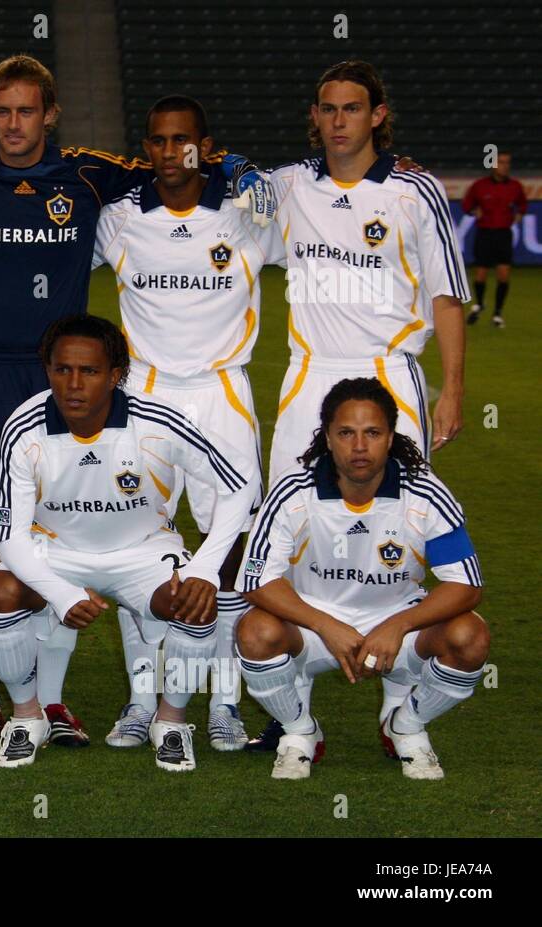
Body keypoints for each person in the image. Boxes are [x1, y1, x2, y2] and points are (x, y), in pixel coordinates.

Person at [0, 55, 274, 749]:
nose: (14, 123)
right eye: (2, 111)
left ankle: (97, 702)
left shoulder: (90, 178)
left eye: (28, 110)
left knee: (119, 537)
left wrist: (239, 166)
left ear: (51, 114)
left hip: (68, 382)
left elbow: (175, 167)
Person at [253, 59, 471, 751]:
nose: (338, 121)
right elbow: (216, 198)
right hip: (307, 374)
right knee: (287, 522)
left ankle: (399, 691)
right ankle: (293, 705)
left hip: (390, 376)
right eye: (327, 108)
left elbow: (444, 297)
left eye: (351, 108)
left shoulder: (414, 191)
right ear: (313, 117)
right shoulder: (288, 186)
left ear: (378, 114)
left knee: (398, 529)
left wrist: (454, 387)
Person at [92, 95, 285, 751]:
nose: (171, 152)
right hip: (143, 392)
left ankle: (224, 701)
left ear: (207, 145)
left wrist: (248, 170)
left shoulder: (246, 213)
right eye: (158, 141)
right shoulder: (117, 219)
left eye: (184, 140)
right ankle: (143, 697)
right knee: (133, 544)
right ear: (145, 147)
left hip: (221, 393)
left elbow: (322, 213)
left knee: (229, 548)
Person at [0, 316, 258, 770]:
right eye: (61, 369)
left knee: (195, 601)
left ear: (116, 375)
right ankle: (27, 716)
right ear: (47, 369)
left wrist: (206, 568)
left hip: (144, 551)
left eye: (89, 371)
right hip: (58, 551)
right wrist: (61, 592)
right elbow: (9, 536)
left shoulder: (158, 420)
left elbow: (240, 484)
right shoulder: (23, 426)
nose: (73, 385)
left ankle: (170, 722)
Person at [237, 377, 488, 780]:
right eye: (346, 433)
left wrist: (398, 625)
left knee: (469, 637)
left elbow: (466, 584)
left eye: (372, 433)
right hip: (312, 628)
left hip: (399, 628)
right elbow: (256, 580)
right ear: (328, 438)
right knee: (254, 631)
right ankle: (300, 731)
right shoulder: (292, 491)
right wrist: (326, 625)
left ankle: (405, 725)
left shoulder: (424, 493)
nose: (358, 446)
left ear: (390, 438)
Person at [462, 152, 527, 327]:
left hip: (504, 235)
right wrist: (475, 211)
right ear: (493, 165)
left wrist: (519, 214)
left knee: (504, 275)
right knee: (481, 274)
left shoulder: (515, 186)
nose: (505, 166)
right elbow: (467, 204)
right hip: (485, 234)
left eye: (508, 163)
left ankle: (497, 314)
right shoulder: (480, 186)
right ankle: (479, 304)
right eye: (501, 162)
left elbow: (522, 204)